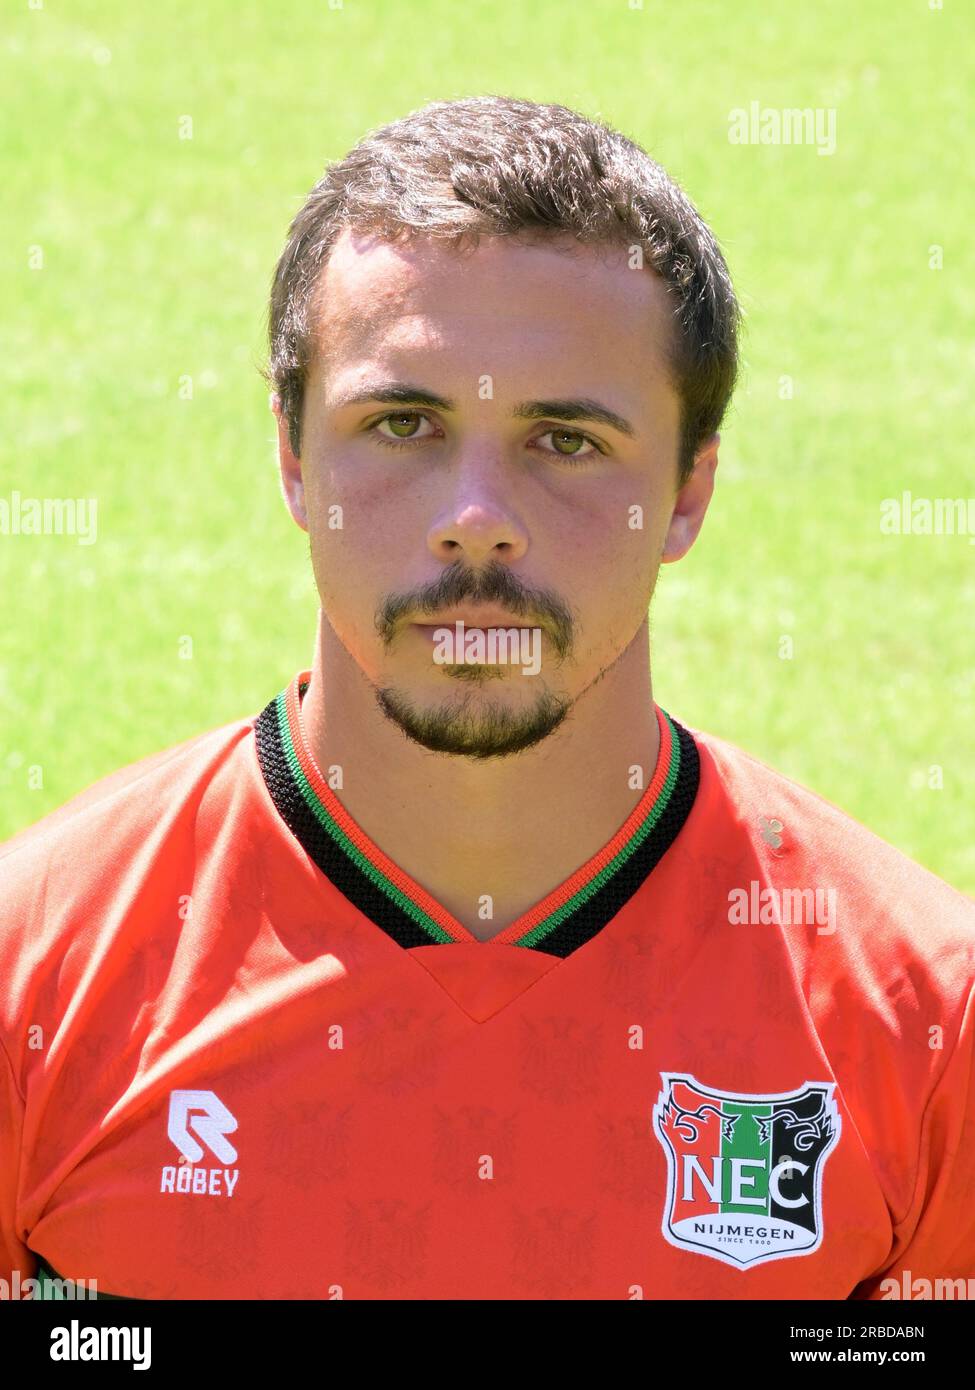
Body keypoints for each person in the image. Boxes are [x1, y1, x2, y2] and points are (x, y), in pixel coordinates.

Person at [1, 95, 972, 1302]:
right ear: (295, 460)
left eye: (564, 441)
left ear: (686, 490)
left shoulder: (927, 1014)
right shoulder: (32, 977)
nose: (478, 517)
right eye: (402, 423)